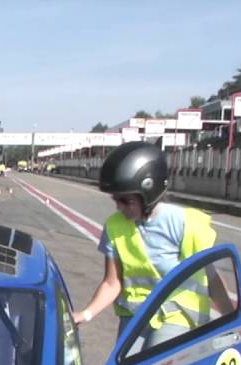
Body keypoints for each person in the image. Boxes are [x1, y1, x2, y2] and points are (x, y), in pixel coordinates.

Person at [71, 141, 219, 350]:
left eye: (126, 201)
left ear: (149, 192)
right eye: (116, 200)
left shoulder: (186, 224)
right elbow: (112, 283)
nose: (119, 207)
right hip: (137, 316)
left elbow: (210, 277)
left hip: (179, 314)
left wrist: (236, 318)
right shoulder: (115, 226)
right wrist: (85, 314)